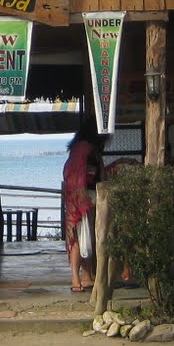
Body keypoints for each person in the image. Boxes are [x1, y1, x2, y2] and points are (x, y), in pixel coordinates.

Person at [61, 124, 102, 293]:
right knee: (84, 238)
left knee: (78, 238)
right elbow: (92, 175)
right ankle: (79, 278)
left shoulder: (75, 151)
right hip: (86, 199)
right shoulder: (89, 151)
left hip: (72, 199)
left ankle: (83, 277)